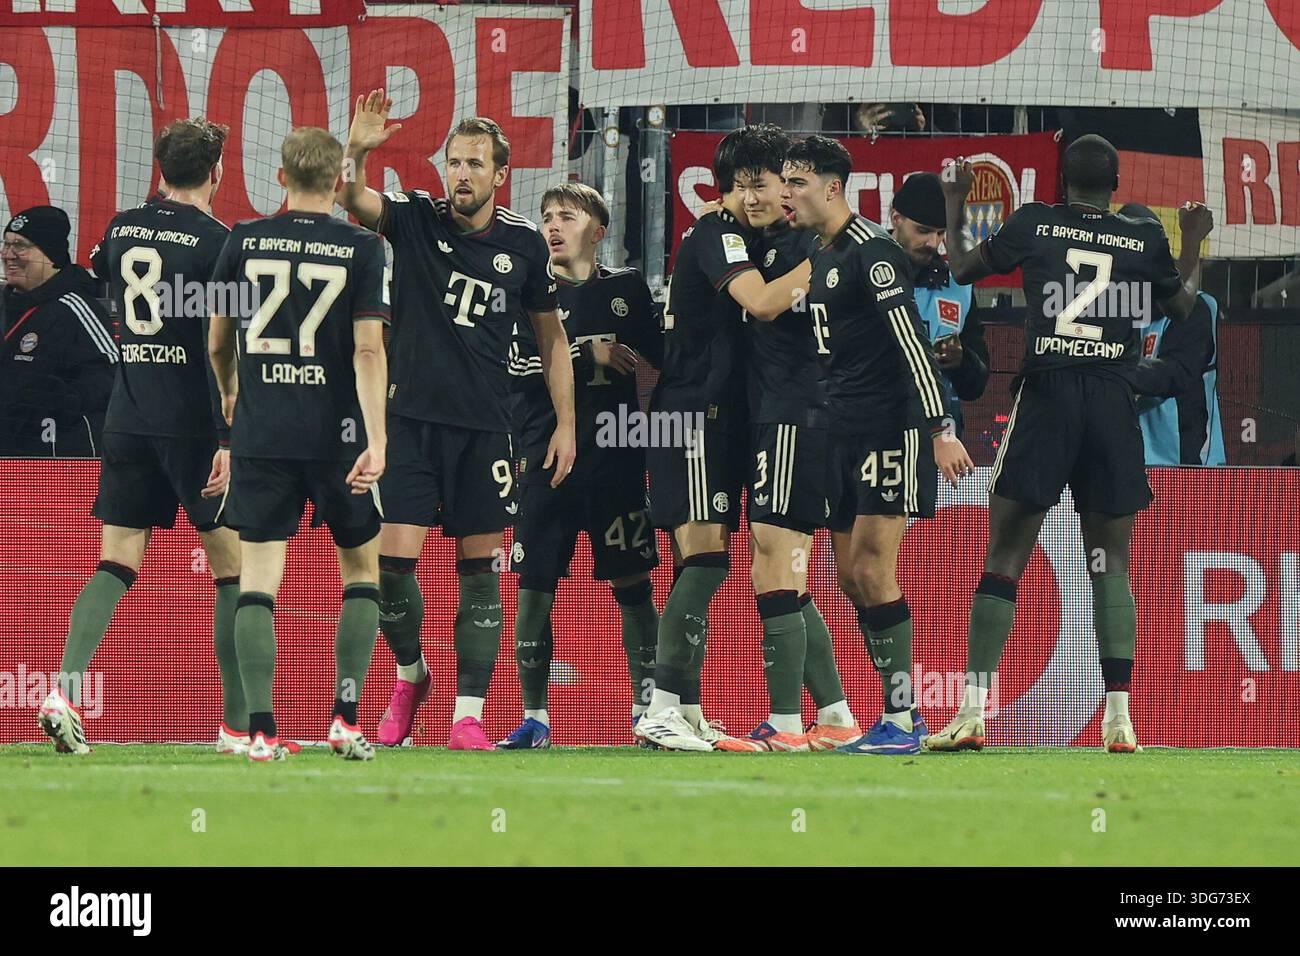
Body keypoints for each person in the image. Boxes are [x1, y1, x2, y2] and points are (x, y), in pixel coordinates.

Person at [931, 135, 1214, 754]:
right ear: (1116, 188)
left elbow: (960, 269)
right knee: (1111, 563)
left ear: (1062, 183)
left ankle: (973, 712)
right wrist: (1193, 239)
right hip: (1113, 401)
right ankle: (1120, 719)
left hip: (1050, 393)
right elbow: (1186, 305)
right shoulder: (1141, 238)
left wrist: (955, 202)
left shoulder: (1035, 222)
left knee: (1005, 555)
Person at [337, 90, 576, 751]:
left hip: (488, 429)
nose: (462, 174)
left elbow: (551, 339)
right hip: (409, 423)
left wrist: (566, 424)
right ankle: (412, 676)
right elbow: (348, 197)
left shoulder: (526, 244)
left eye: (476, 164)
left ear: (501, 174)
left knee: (479, 574)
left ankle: (467, 714)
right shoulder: (414, 218)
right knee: (392, 570)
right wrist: (356, 149)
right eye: (454, 162)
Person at [36, 119, 250, 756]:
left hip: (125, 417)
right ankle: (237, 727)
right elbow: (222, 349)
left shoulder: (121, 226)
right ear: (217, 171)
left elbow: (107, 275)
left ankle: (64, 691)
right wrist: (227, 436)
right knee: (234, 570)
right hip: (190, 423)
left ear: (160, 170)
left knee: (115, 560)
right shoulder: (221, 242)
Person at [781, 135, 974, 756]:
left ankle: (903, 718)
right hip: (838, 430)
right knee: (848, 577)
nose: (788, 193)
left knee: (872, 570)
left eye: (799, 183)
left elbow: (912, 346)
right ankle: (895, 717)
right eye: (785, 181)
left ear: (833, 188)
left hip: (889, 430)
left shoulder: (875, 253)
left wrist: (940, 429)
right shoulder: (816, 249)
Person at [208, 127, 390, 762]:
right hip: (338, 437)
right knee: (362, 571)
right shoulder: (365, 247)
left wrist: (232, 394)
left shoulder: (243, 239)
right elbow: (369, 349)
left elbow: (216, 340)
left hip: (263, 432)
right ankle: (345, 717)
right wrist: (377, 437)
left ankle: (260, 732)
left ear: (280, 178)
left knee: (258, 581)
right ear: (338, 184)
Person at [633, 124, 813, 752]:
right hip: (690, 417)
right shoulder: (714, 232)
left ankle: (686, 709)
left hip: (722, 419)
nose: (780, 196)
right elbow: (762, 304)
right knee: (705, 563)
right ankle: (657, 706)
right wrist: (831, 256)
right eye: (767, 184)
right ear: (741, 184)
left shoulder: (749, 234)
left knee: (702, 562)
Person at [703, 127, 860, 753]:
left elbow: (769, 305)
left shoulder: (809, 247)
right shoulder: (767, 241)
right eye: (742, 186)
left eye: (764, 184)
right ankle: (837, 715)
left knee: (777, 563)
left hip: (798, 417)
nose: (755, 196)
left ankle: (788, 725)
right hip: (778, 417)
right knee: (780, 570)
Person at [498, 183, 663, 749]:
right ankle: (535, 718)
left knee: (634, 586)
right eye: (546, 217)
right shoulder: (524, 289)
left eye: (566, 216)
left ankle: (650, 714)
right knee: (534, 587)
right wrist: (583, 350)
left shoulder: (628, 289)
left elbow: (665, 363)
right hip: (544, 462)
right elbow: (512, 364)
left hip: (616, 463)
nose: (552, 225)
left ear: (598, 229)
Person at [0, 205, 116, 458]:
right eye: (6, 244)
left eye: (20, 245)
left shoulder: (75, 308)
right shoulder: (4, 304)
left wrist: (58, 396)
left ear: (50, 253)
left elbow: (111, 375)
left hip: (45, 463)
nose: (8, 254)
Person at [1119, 203, 1226, 466]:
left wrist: (1106, 369)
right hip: (1133, 466)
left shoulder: (1199, 307)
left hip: (1189, 469)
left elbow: (1175, 373)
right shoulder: (1121, 309)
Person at [889, 172, 991, 439]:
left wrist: (962, 360)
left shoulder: (959, 285)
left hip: (936, 440)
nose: (932, 243)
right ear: (895, 219)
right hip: (872, 429)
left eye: (940, 232)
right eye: (922, 231)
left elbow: (976, 385)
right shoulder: (861, 271)